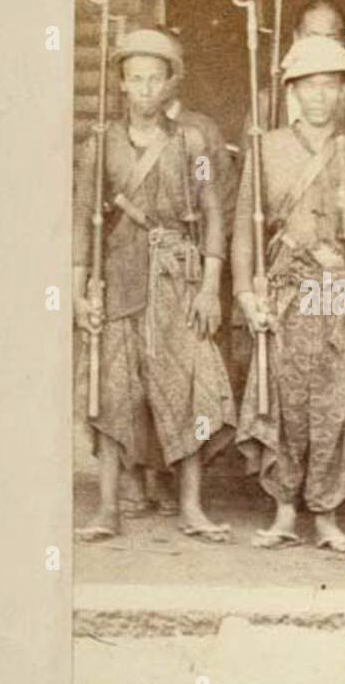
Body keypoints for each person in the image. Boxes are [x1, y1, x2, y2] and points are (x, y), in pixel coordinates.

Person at [73, 27, 236, 543]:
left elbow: (213, 215)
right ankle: (107, 509)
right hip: (118, 278)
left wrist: (210, 286)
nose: (144, 89)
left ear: (170, 85)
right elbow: (81, 220)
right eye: (135, 79)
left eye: (154, 79)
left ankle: (191, 506)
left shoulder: (192, 143)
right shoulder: (101, 144)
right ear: (121, 83)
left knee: (189, 388)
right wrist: (78, 293)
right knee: (114, 391)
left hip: (176, 280)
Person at [232, 34, 345, 552]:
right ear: (292, 91)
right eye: (309, 87)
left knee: (335, 404)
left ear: (344, 91)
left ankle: (326, 514)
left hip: (340, 295)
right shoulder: (266, 148)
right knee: (284, 402)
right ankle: (282, 511)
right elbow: (243, 234)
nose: (319, 97)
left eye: (330, 86)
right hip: (285, 295)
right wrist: (244, 294)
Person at [237, 0, 345, 166]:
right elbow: (248, 176)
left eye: (330, 37)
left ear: (342, 42)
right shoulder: (266, 105)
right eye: (312, 36)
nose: (320, 46)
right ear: (296, 37)